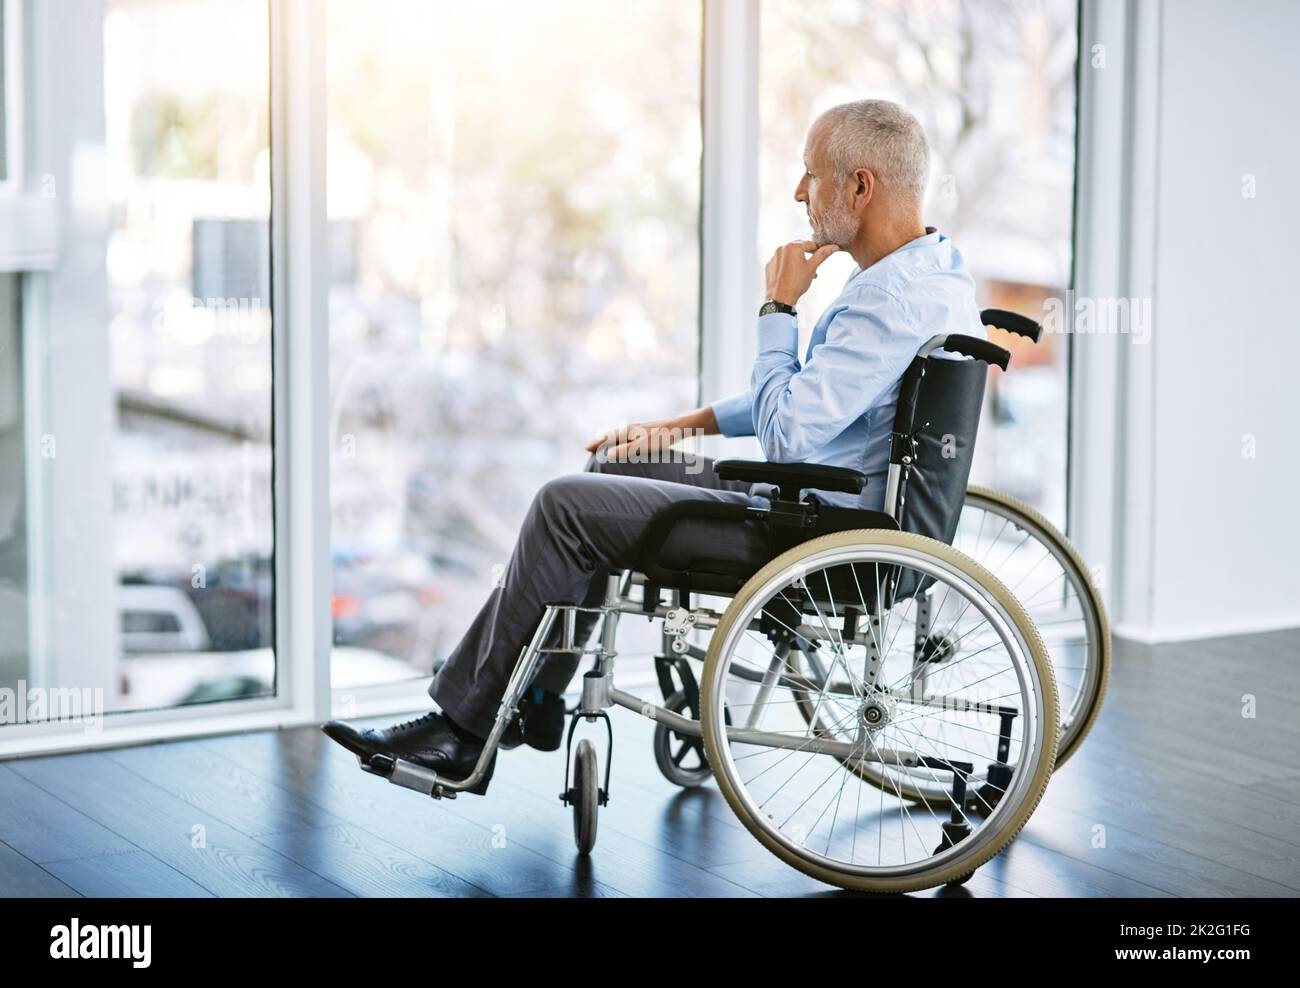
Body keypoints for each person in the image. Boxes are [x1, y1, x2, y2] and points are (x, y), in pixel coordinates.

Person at [322, 98, 985, 793]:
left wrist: (779, 311)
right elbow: (825, 404)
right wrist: (677, 427)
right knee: (619, 462)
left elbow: (791, 428)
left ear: (860, 186)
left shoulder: (888, 303)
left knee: (563, 507)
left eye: (810, 175)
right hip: (825, 506)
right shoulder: (927, 273)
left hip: (816, 537)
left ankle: (461, 733)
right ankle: (540, 701)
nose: (798, 193)